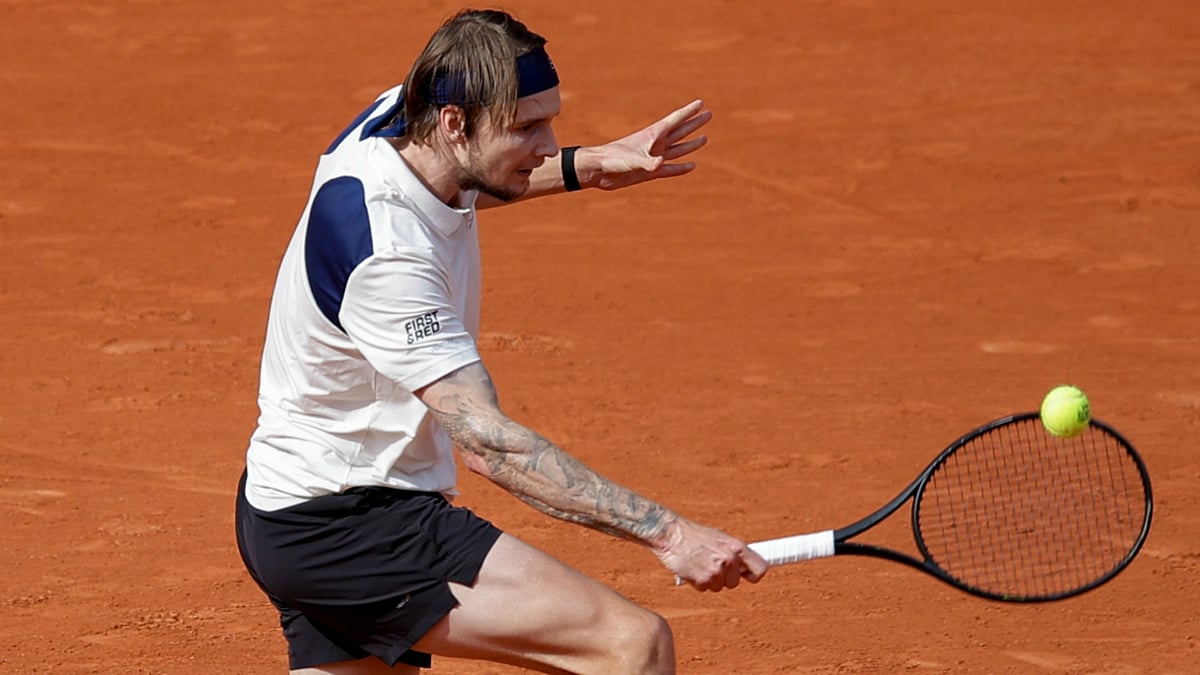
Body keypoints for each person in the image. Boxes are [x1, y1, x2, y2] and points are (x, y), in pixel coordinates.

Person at [235, 8, 768, 674]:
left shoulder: (394, 124)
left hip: (284, 505)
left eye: (550, 120)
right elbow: (489, 444)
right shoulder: (388, 257)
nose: (547, 143)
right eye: (526, 127)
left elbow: (461, 180)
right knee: (635, 645)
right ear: (455, 120)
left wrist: (587, 165)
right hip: (355, 522)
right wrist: (670, 532)